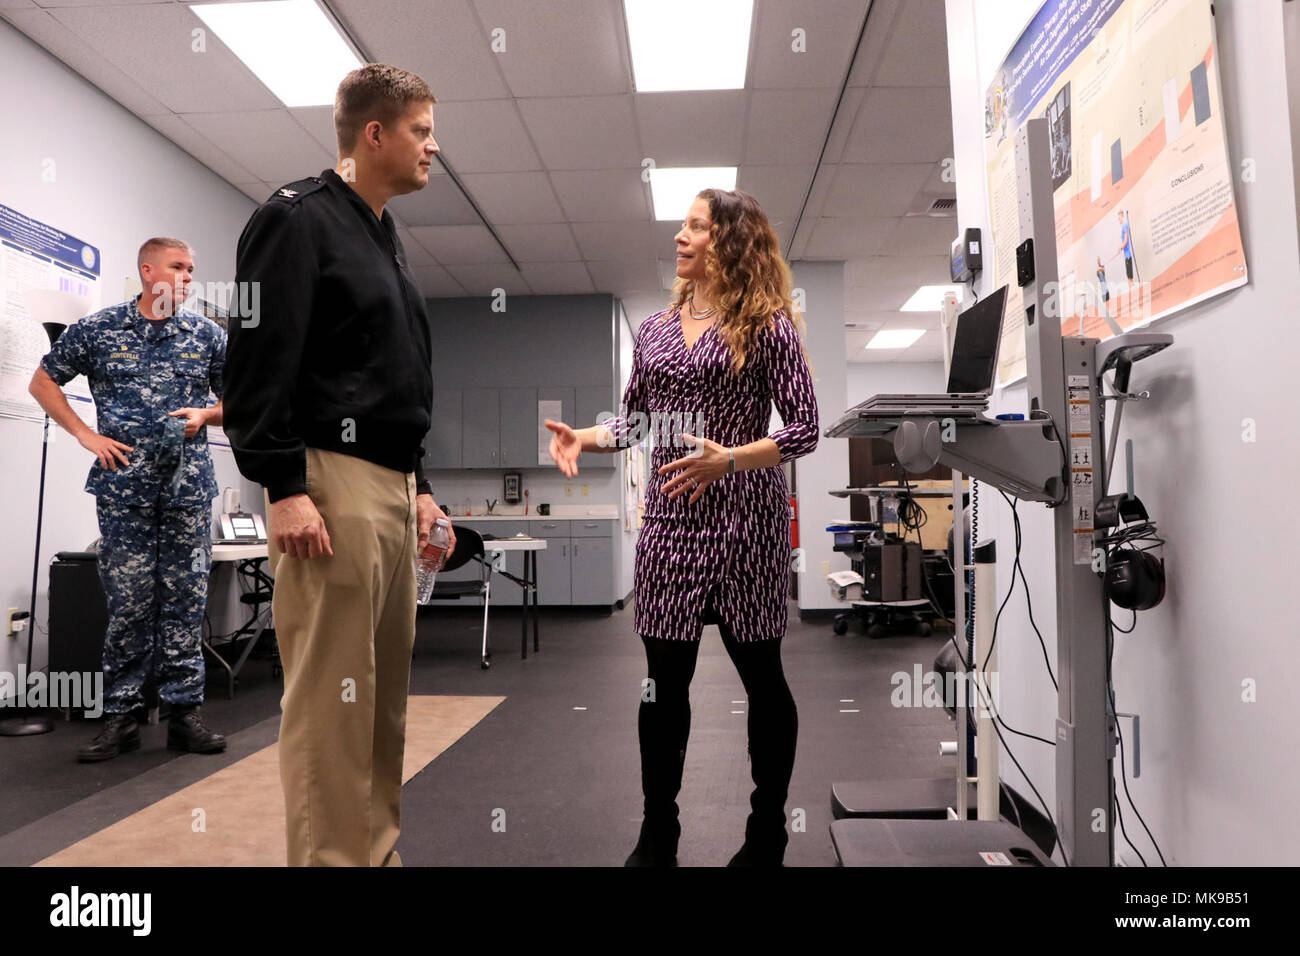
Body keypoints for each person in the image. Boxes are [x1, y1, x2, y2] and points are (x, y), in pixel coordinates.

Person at [546, 188, 819, 866]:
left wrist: (731, 459)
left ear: (729, 241)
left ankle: (765, 832)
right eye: (682, 225)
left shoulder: (769, 327)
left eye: (696, 226)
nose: (680, 237)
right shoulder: (657, 329)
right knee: (662, 683)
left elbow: (807, 428)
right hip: (669, 526)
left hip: (745, 522)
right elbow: (637, 421)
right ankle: (657, 830)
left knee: (763, 677)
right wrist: (584, 434)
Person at [224, 63, 454, 867]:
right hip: (330, 482)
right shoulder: (297, 218)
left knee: (382, 702)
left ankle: (372, 854)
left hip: (388, 485)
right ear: (376, 133)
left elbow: (390, 377)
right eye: (422, 130)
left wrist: (419, 488)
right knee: (331, 704)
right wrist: (282, 486)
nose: (434, 146)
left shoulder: (381, 232)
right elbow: (255, 362)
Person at [30, 238, 228, 761]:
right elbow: (43, 382)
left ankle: (186, 716)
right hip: (124, 491)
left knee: (186, 604)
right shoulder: (99, 329)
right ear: (147, 270)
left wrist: (207, 415)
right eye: (178, 267)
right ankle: (121, 719)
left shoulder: (206, 335)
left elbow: (244, 401)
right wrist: (84, 435)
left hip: (187, 490)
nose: (188, 277)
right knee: (128, 605)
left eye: (192, 268)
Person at [1117, 209, 1140, 283]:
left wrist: (1121, 247)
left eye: (1119, 218)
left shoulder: (1125, 225)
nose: (1119, 220)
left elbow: (1126, 240)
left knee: (1130, 278)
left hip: (1128, 255)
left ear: (1122, 216)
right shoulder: (1124, 225)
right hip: (1126, 255)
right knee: (1129, 276)